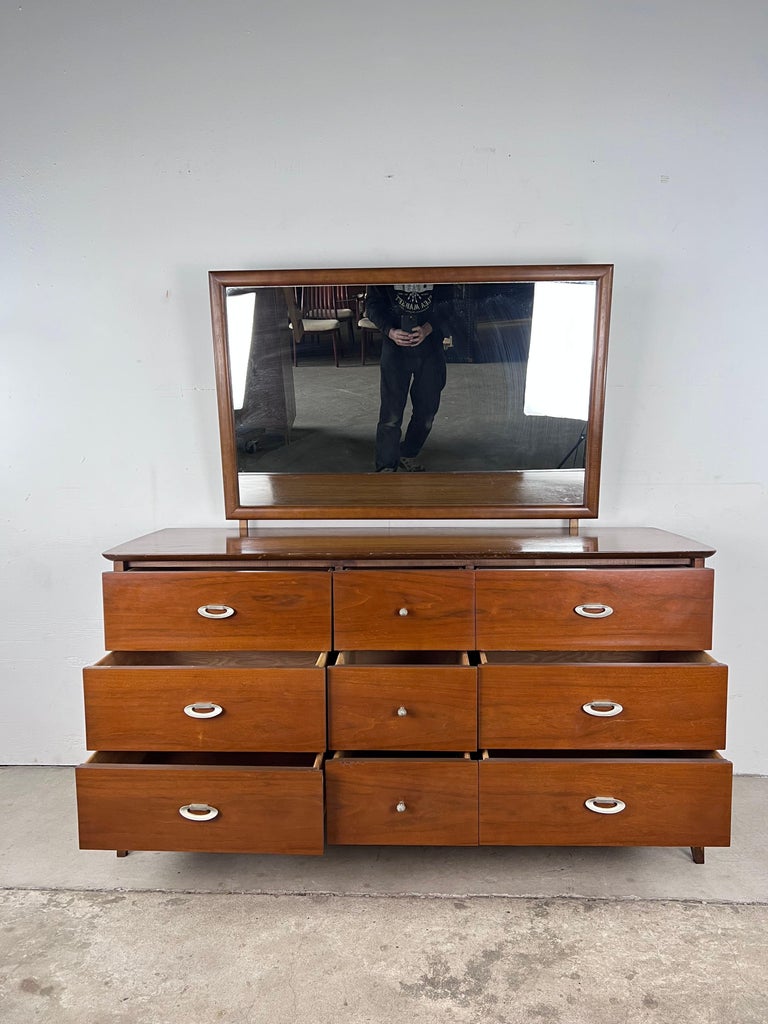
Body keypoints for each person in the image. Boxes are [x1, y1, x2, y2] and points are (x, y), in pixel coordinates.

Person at [365, 283, 451, 472]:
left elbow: (449, 302)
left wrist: (428, 328)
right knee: (391, 413)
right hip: (395, 348)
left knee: (427, 412)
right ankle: (386, 465)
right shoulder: (385, 266)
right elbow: (372, 305)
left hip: (430, 348)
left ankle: (408, 453)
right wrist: (390, 331)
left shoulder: (436, 262)